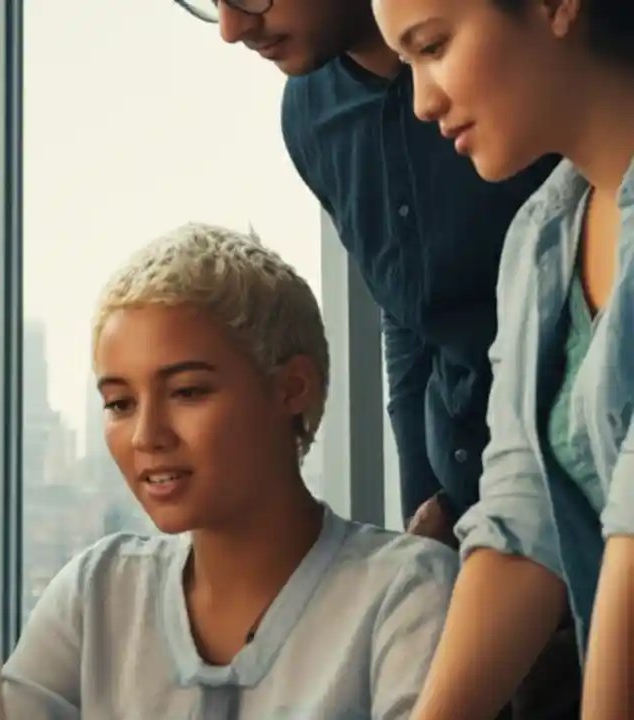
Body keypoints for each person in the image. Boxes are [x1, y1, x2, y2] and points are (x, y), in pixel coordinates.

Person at [170, 1, 577, 714]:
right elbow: (407, 312)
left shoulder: (538, 122)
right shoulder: (309, 117)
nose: (233, 28)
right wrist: (430, 525)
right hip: (481, 509)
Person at [1, 223, 457, 719]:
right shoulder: (95, 593)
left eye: (188, 392)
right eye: (120, 403)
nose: (146, 435)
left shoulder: (407, 592)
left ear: (292, 388)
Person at [370, 0, 634, 717]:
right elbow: (523, 522)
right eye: (405, 64)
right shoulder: (540, 240)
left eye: (433, 47)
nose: (422, 102)